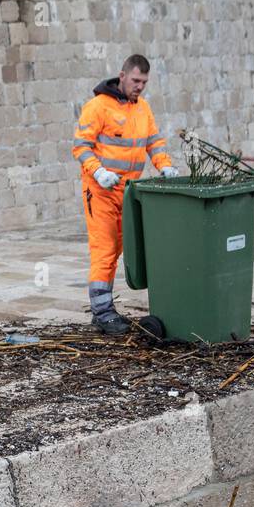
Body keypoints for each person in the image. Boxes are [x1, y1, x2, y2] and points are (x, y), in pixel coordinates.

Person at [72, 53, 180, 334]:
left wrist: (165, 166)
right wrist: (98, 172)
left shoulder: (142, 108)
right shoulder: (97, 107)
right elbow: (81, 146)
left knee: (121, 249)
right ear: (122, 76)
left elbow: (154, 142)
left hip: (128, 193)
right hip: (101, 191)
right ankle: (102, 312)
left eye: (144, 81)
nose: (140, 86)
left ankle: (104, 308)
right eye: (135, 80)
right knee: (105, 250)